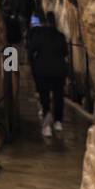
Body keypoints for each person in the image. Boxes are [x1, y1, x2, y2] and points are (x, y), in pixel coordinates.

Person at [28, 11, 70, 142]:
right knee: (58, 97)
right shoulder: (60, 36)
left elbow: (31, 51)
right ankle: (58, 121)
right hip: (58, 71)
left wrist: (34, 66)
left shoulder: (39, 35)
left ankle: (47, 125)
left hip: (42, 71)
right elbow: (65, 52)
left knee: (44, 97)